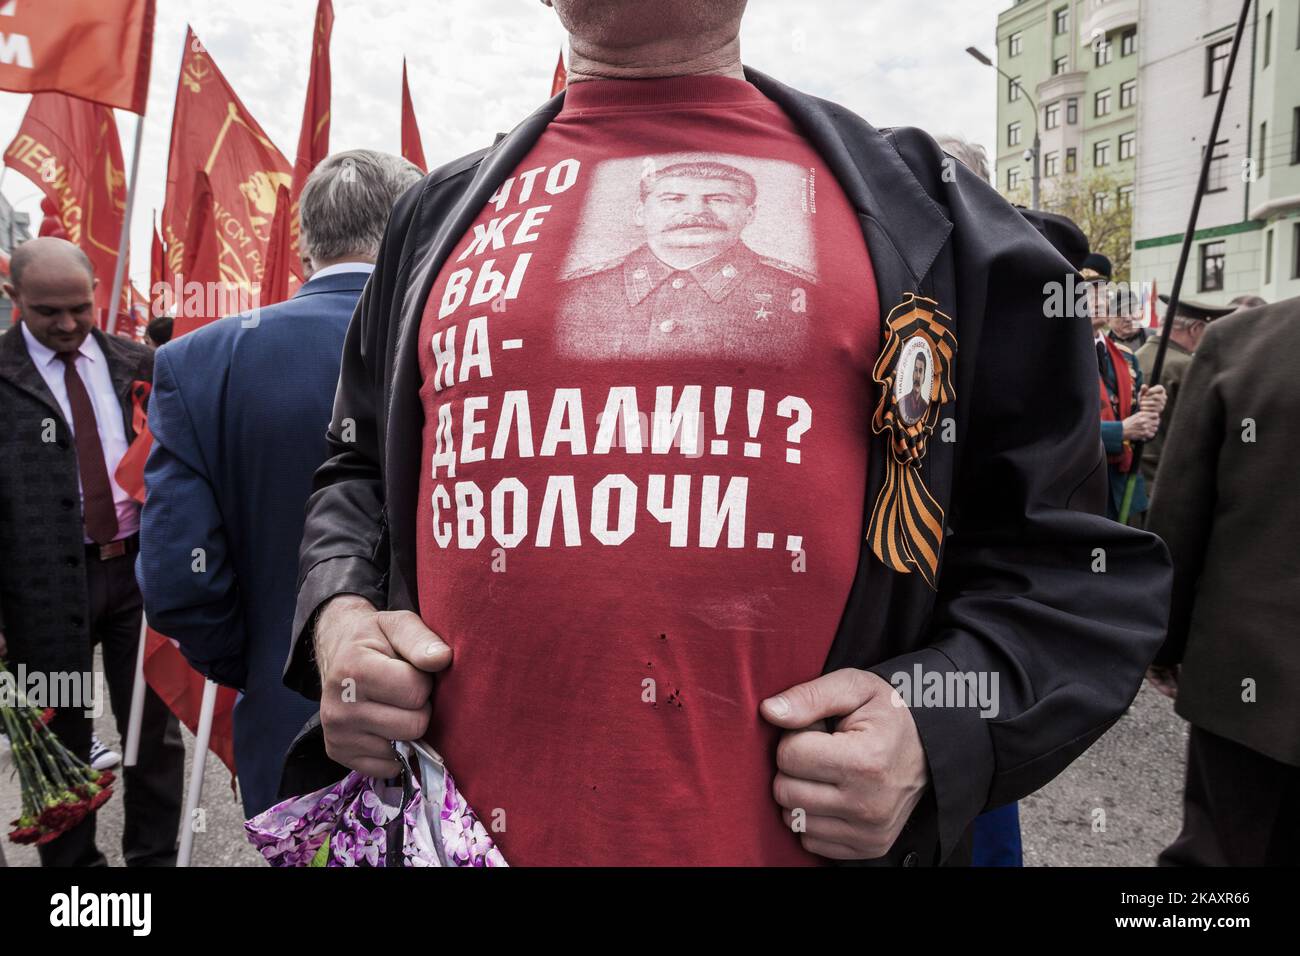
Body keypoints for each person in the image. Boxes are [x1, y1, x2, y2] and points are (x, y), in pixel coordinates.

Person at [283, 0, 1171, 866]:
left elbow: (1067, 577)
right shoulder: (435, 217)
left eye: (717, 197)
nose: (693, 211)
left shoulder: (930, 219)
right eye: (674, 196)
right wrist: (341, 617)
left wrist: (930, 727)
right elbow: (357, 473)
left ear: (748, 214)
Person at [137, 151, 424, 818]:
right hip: (452, 734)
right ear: (415, 229)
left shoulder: (198, 363)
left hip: (293, 733)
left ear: (304, 245)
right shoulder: (470, 343)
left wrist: (274, 664)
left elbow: (179, 579)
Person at [0, 237, 183, 866]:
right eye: (49, 312)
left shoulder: (139, 364)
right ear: (13, 298)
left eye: (79, 307)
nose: (69, 323)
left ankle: (153, 863)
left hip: (137, 577)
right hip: (42, 592)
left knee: (150, 736)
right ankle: (76, 883)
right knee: (61, 734)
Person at [1146, 295, 1299, 865]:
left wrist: (1165, 641)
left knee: (1220, 864)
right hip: (1249, 683)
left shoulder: (1245, 342)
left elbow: (1180, 515)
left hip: (1252, 681)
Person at [1135, 296, 1232, 502]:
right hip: (1169, 481)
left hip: (1134, 481)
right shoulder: (1189, 367)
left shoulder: (1133, 357)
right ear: (1196, 329)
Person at [1094, 285, 1165, 523]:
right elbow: (1057, 430)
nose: (1097, 301)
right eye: (1086, 293)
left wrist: (1149, 412)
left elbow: (1143, 429)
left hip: (1127, 490)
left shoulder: (1126, 357)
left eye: (1102, 293)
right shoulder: (1054, 358)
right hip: (1085, 493)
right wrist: (1120, 431)